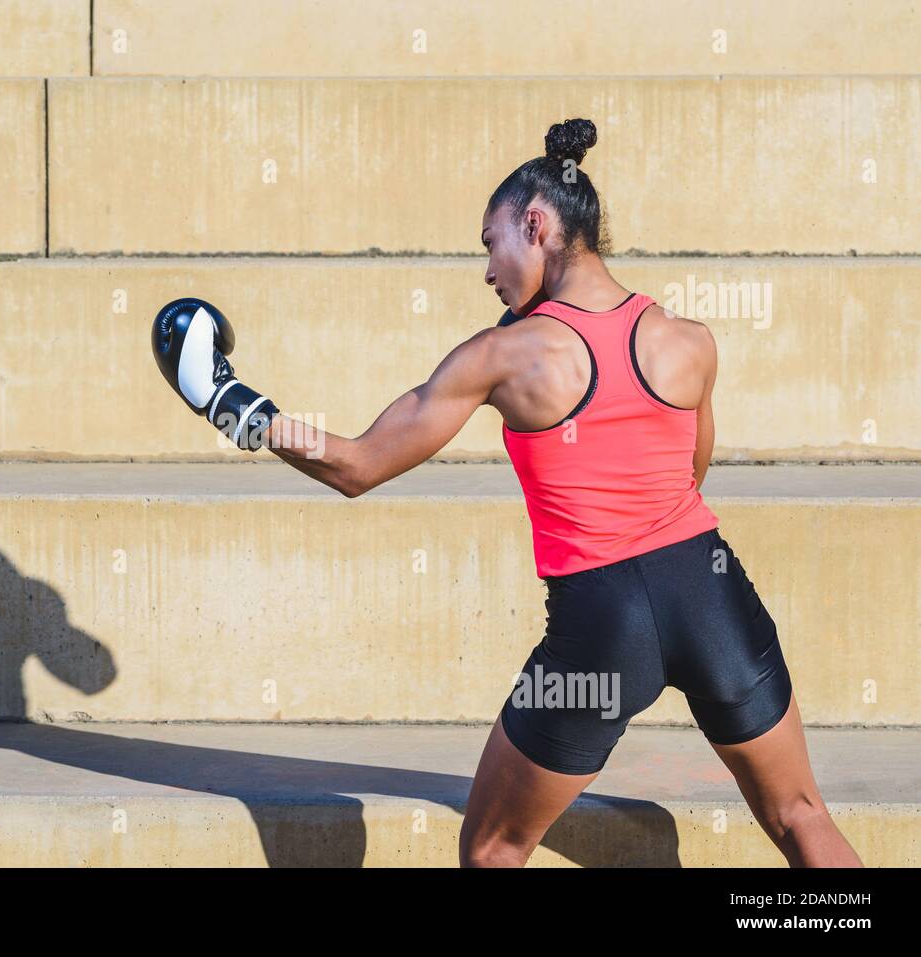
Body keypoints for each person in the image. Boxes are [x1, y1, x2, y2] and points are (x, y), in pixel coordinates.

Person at [150, 118, 862, 868]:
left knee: (493, 845)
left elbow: (357, 465)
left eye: (490, 243)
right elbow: (690, 476)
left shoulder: (503, 354)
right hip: (710, 591)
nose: (488, 269)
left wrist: (229, 402)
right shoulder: (689, 340)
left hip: (603, 619)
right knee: (799, 813)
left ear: (536, 222)